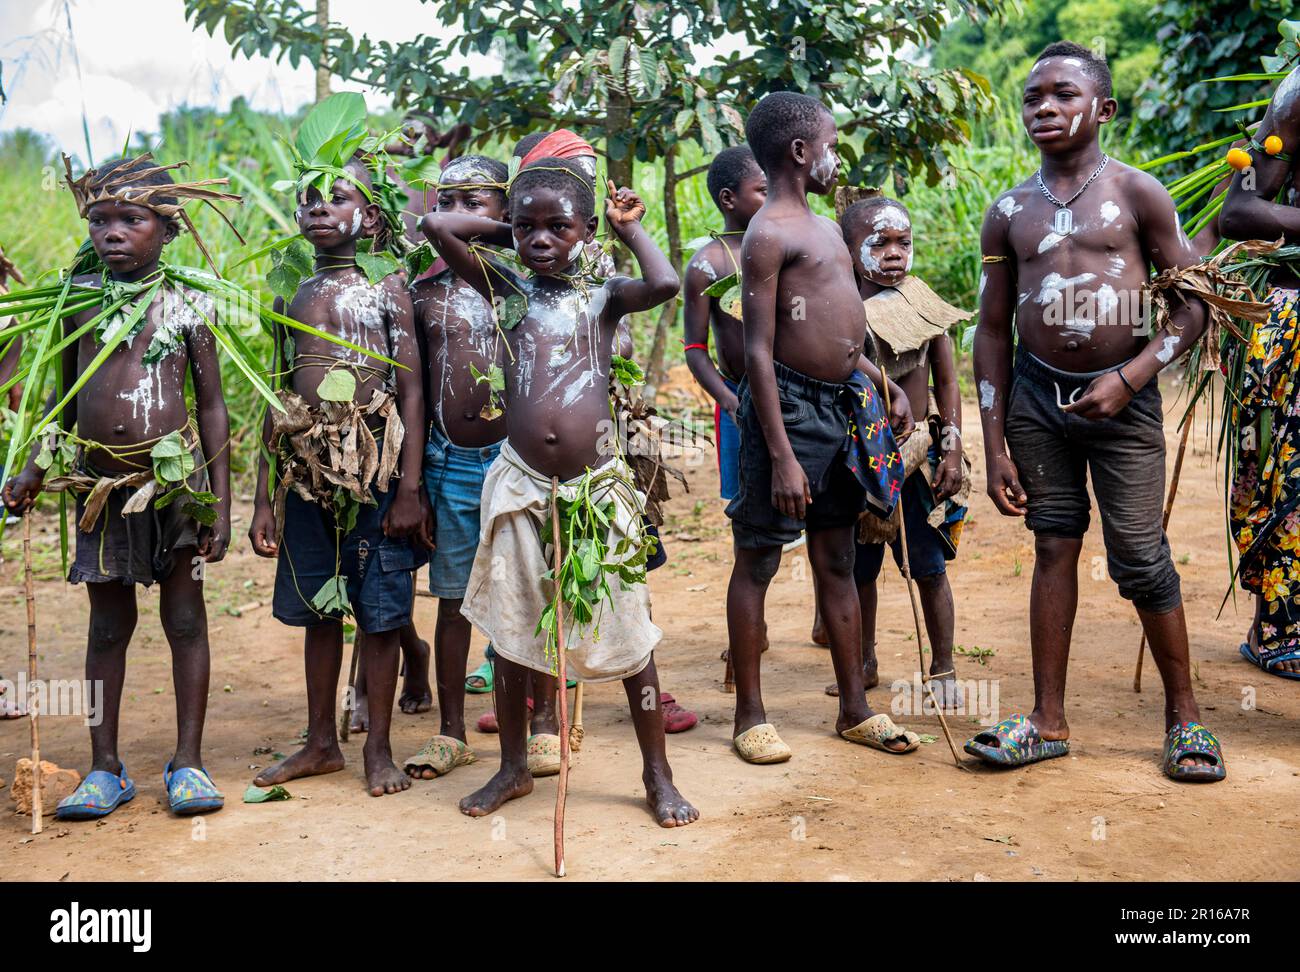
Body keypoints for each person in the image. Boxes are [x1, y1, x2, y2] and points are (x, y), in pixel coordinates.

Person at [971, 42, 1225, 780]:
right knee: (1053, 544)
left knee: (1141, 558)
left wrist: (1133, 376)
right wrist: (993, 444)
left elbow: (1193, 305)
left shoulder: (1138, 195)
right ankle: (1048, 721)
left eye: (1062, 94)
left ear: (1103, 109)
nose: (1044, 108)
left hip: (1126, 407)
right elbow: (992, 330)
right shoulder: (1009, 211)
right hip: (1034, 400)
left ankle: (1187, 720)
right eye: (1032, 98)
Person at [421, 154, 698, 826]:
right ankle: (514, 768)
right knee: (515, 634)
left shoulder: (602, 297)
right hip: (520, 486)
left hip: (595, 488)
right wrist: (500, 226)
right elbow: (435, 223)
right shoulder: (505, 288)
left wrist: (628, 228)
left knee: (631, 637)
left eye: (557, 227)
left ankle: (657, 775)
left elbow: (665, 283)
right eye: (527, 227)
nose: (540, 240)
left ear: (584, 233)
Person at [3, 155, 234, 817]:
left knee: (185, 619)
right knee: (107, 626)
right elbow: (64, 403)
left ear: (168, 228)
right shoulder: (76, 305)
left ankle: (188, 762)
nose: (112, 233)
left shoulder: (189, 302)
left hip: (176, 484)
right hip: (101, 486)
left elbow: (212, 406)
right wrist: (32, 471)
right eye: (100, 220)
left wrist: (216, 498)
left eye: (131, 219)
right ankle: (105, 768)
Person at [724, 91, 918, 765]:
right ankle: (750, 715)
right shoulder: (769, 233)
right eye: (831, 144)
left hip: (842, 406)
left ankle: (853, 709)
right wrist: (780, 454)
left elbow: (837, 328)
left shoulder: (826, 226)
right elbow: (758, 349)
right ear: (801, 152)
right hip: (789, 412)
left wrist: (873, 377)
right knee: (759, 559)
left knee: (836, 556)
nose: (838, 157)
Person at [248, 151, 431, 797]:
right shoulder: (290, 294)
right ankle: (321, 741)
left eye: (336, 197)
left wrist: (410, 487)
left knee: (380, 610)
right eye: (308, 199)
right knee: (317, 607)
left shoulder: (386, 291)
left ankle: (377, 750)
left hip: (376, 471)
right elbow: (273, 400)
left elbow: (412, 393)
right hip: (306, 474)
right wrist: (263, 500)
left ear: (372, 213)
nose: (318, 209)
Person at [826, 195, 970, 705]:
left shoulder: (925, 304)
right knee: (858, 569)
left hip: (916, 459)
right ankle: (864, 661)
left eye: (902, 243)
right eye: (879, 243)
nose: (893, 253)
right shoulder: (840, 307)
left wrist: (950, 447)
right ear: (848, 249)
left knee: (928, 567)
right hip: (860, 462)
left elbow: (948, 384)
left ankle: (944, 669)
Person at [402, 154, 510, 780]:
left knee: (531, 593)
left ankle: (541, 725)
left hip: (522, 462)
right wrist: (413, 483)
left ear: (505, 209)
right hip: (452, 463)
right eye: (447, 201)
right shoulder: (425, 296)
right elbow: (413, 395)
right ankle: (450, 731)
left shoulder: (527, 282)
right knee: (452, 600)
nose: (461, 213)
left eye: (477, 200)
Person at [1220, 65, 1300, 680]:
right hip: (1291, 324)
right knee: (1274, 472)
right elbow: (1241, 212)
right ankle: (1280, 624)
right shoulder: (1295, 97)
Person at [682, 146, 767, 502]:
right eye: (763, 191)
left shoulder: (790, 247)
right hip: (740, 399)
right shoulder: (708, 264)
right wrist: (729, 401)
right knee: (747, 511)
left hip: (797, 397)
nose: (774, 198)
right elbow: (695, 349)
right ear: (729, 199)